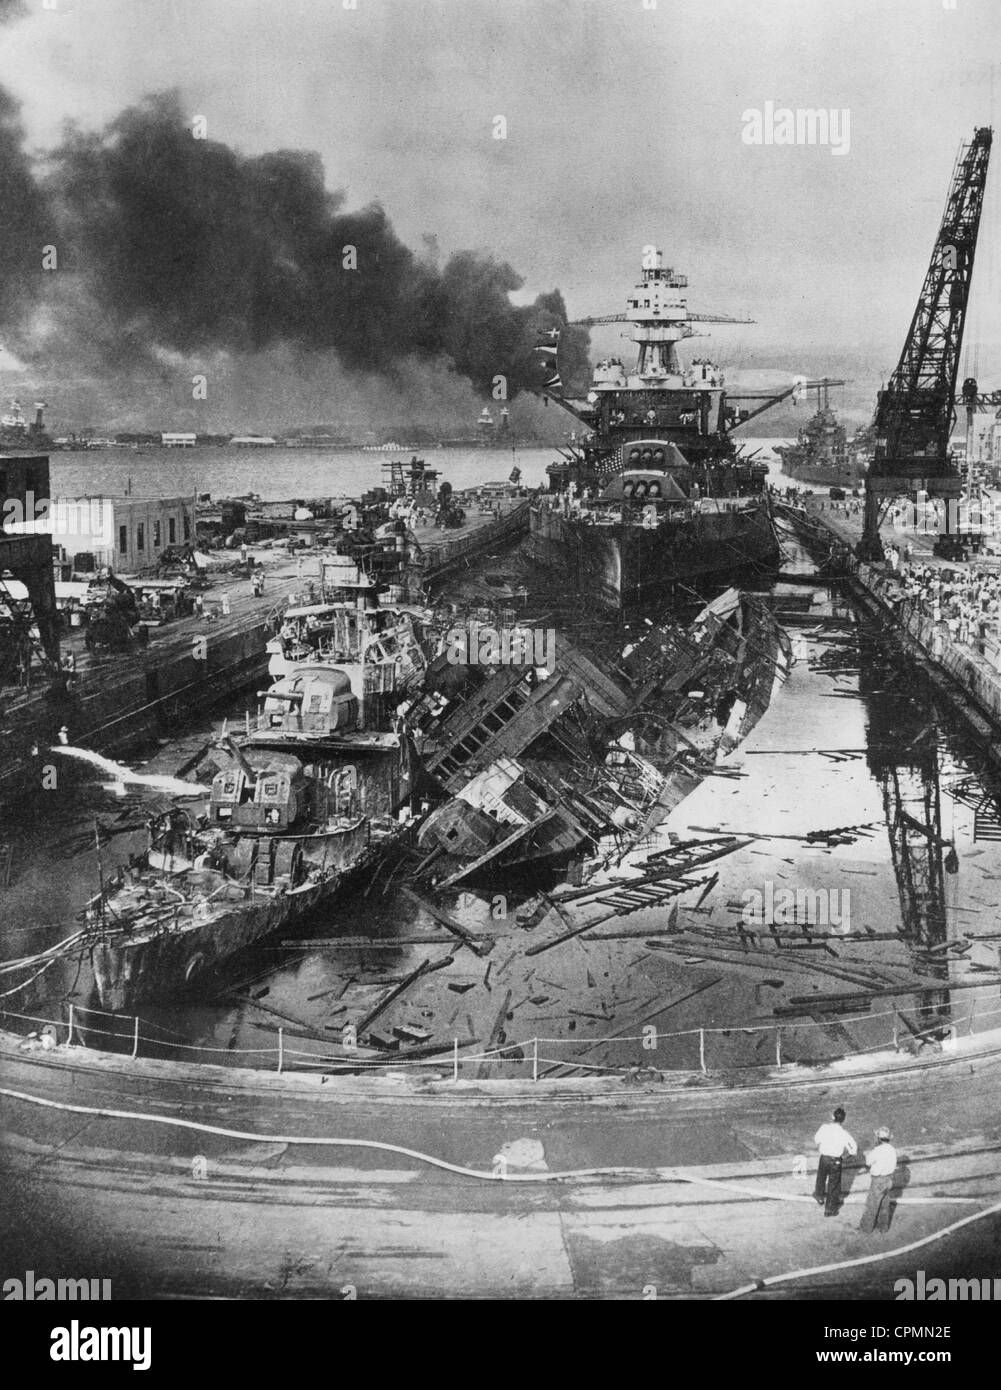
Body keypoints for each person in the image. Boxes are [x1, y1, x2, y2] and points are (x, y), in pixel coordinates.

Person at [813, 1106, 857, 1216]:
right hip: (836, 1160)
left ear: (832, 1117)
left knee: (821, 1178)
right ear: (843, 1120)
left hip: (824, 1158)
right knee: (834, 1185)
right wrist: (844, 1157)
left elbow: (816, 1139)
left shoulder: (824, 1128)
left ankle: (819, 1196)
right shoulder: (844, 1134)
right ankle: (830, 1209)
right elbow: (853, 1149)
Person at [859, 1126, 897, 1235]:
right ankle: (883, 1227)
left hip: (878, 1180)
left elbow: (868, 1162)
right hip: (889, 1179)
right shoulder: (892, 1150)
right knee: (884, 1204)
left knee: (872, 1204)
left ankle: (865, 1229)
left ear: (879, 1139)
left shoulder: (878, 1150)